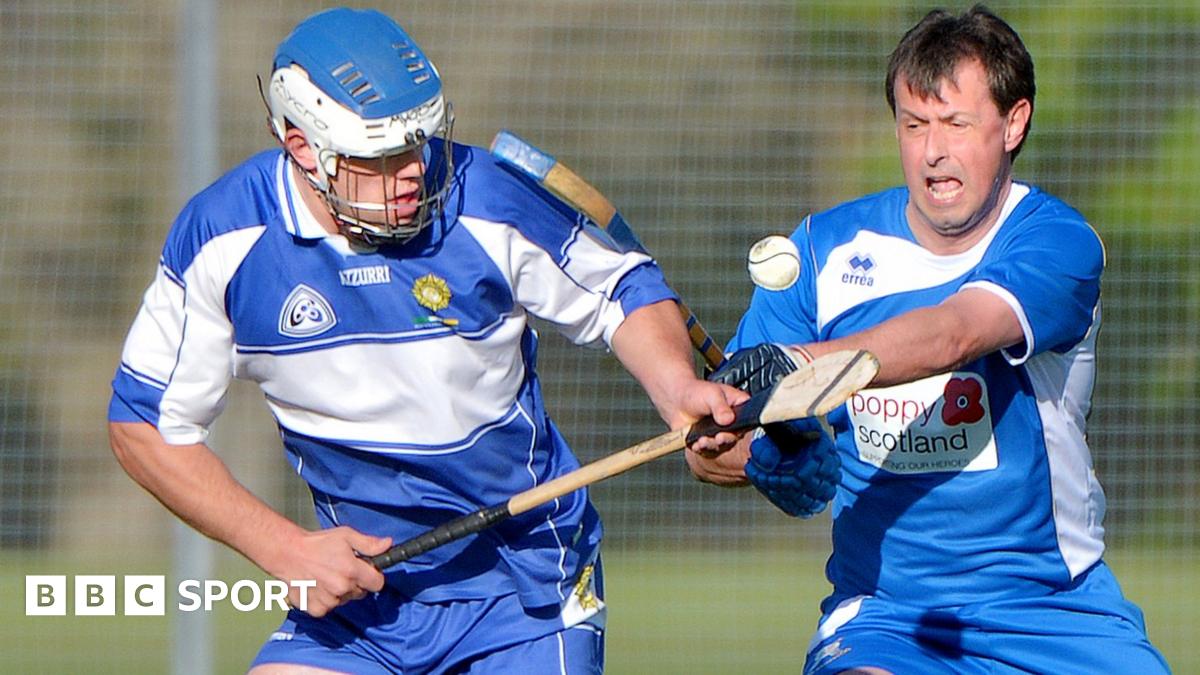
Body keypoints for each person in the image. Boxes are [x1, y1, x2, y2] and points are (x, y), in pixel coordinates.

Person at [107, 7, 743, 674]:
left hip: (522, 589)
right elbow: (145, 427)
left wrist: (676, 388)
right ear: (303, 148)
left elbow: (622, 290)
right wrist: (283, 546)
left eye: (420, 144)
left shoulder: (484, 198)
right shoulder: (224, 239)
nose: (415, 171)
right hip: (364, 598)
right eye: (384, 158)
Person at [692, 6, 1170, 674]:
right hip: (885, 616)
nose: (932, 151)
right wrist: (760, 454)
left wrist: (800, 365)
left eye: (955, 124)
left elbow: (954, 333)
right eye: (914, 124)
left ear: (1014, 123)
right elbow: (719, 442)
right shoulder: (820, 254)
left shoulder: (1055, 242)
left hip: (1054, 611)